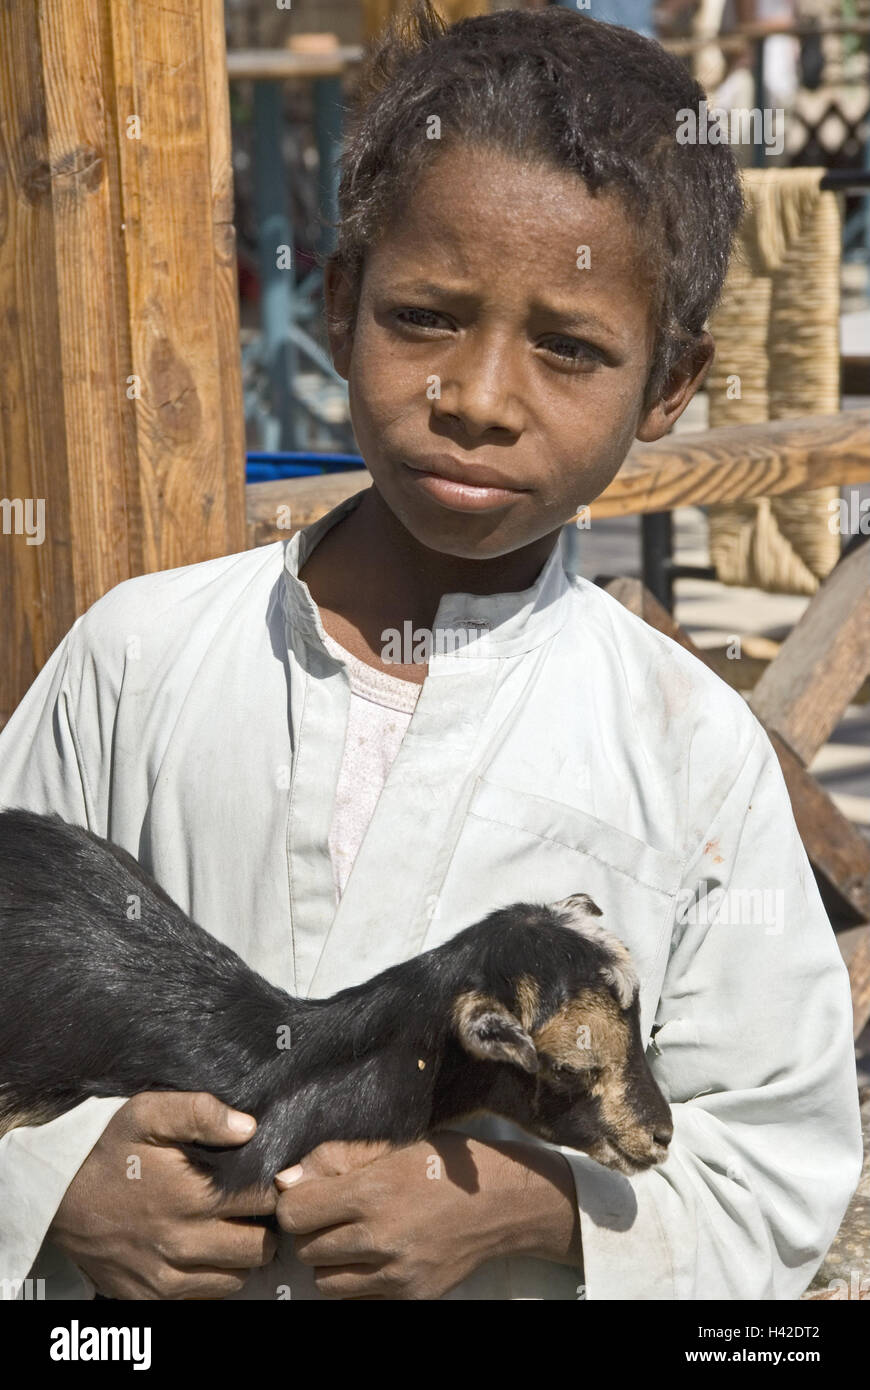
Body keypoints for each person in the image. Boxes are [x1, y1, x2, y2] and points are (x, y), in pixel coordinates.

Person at [0, 3, 861, 1301]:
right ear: (342, 302)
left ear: (669, 387)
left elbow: (772, 1171)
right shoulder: (143, 658)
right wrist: (61, 1182)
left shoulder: (688, 750)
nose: (476, 397)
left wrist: (531, 1207)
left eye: (568, 347)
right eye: (424, 316)